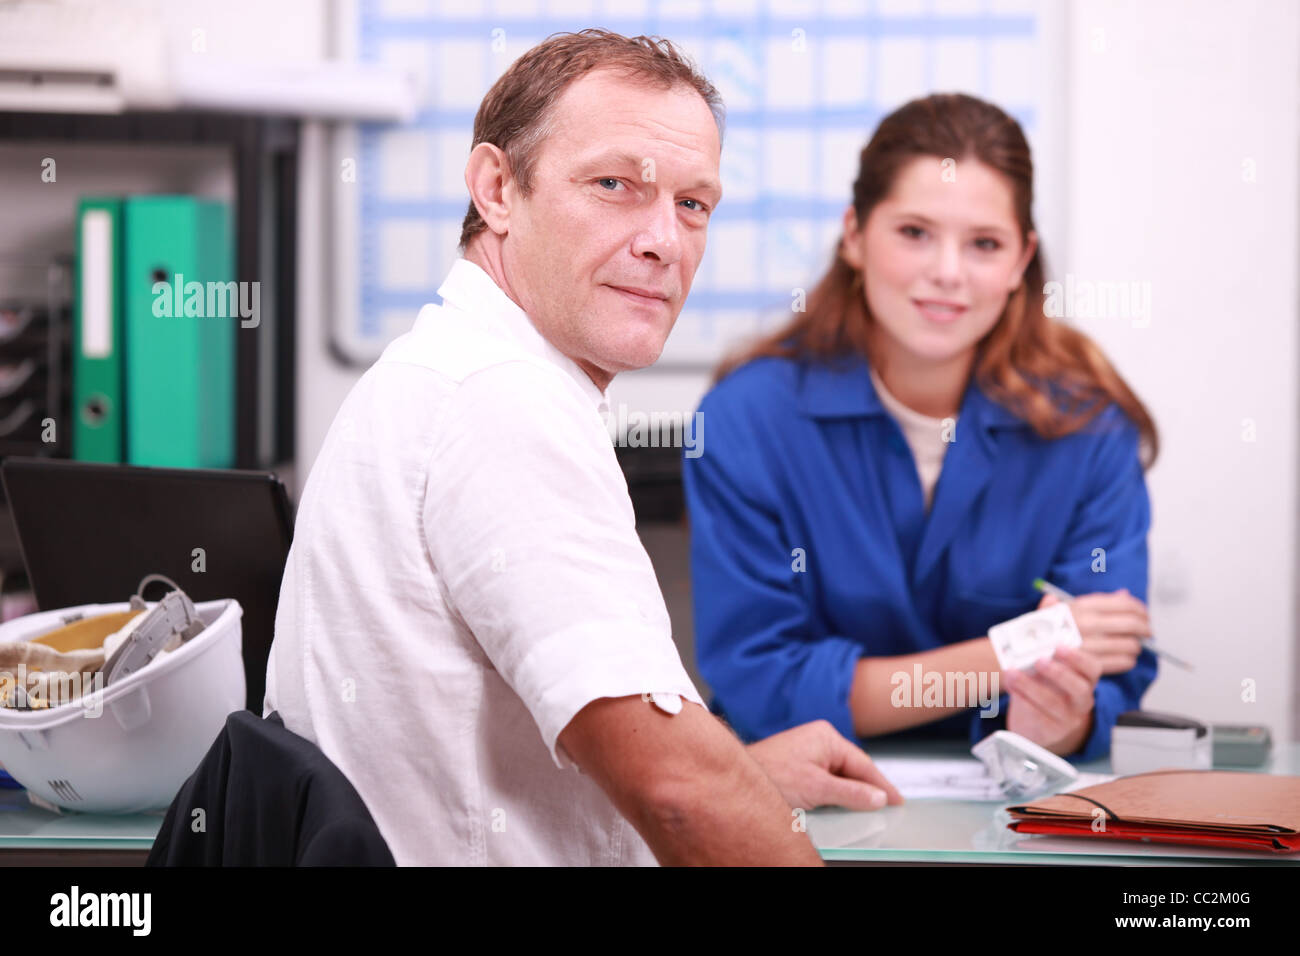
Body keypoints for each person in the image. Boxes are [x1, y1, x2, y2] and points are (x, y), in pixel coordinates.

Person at [264, 29, 900, 868]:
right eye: (614, 185)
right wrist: (714, 783)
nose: (664, 242)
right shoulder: (501, 401)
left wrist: (737, 770)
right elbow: (675, 792)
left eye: (692, 204)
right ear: (497, 188)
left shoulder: (446, 369)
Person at [682, 92, 1158, 762]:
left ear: (1022, 261)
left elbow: (1114, 677)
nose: (947, 273)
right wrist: (1010, 653)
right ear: (854, 234)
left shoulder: (1087, 428)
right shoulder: (746, 420)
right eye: (914, 233)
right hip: (808, 812)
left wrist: (1058, 719)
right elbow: (764, 685)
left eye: (984, 244)